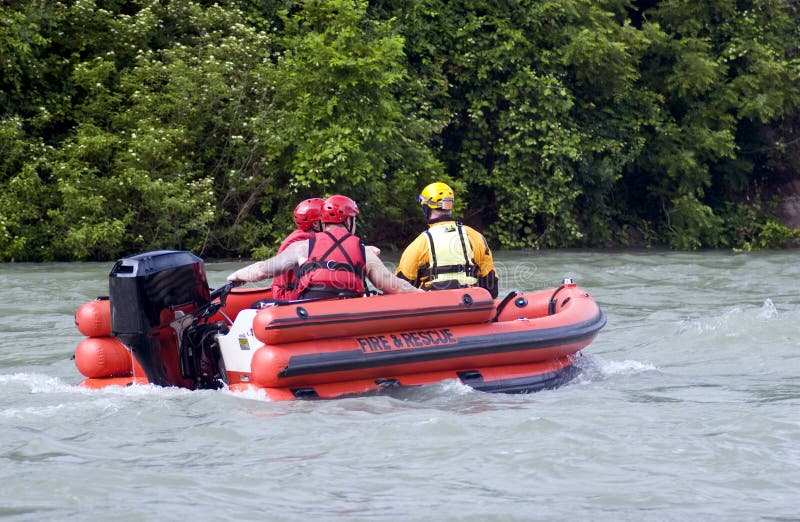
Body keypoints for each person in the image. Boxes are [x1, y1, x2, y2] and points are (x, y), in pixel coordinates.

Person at [227, 195, 422, 299]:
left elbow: (263, 270)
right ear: (348, 221)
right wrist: (423, 295)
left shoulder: (303, 247)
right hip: (350, 315)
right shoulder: (362, 251)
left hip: (308, 313)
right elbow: (394, 286)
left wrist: (235, 277)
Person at [395, 182, 499, 298]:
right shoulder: (475, 236)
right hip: (471, 304)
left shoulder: (420, 243)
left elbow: (400, 285)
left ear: (426, 208)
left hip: (435, 306)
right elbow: (491, 286)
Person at [271, 198, 324, 301]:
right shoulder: (306, 240)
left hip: (285, 292)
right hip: (287, 296)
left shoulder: (301, 235)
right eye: (325, 219)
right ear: (315, 224)